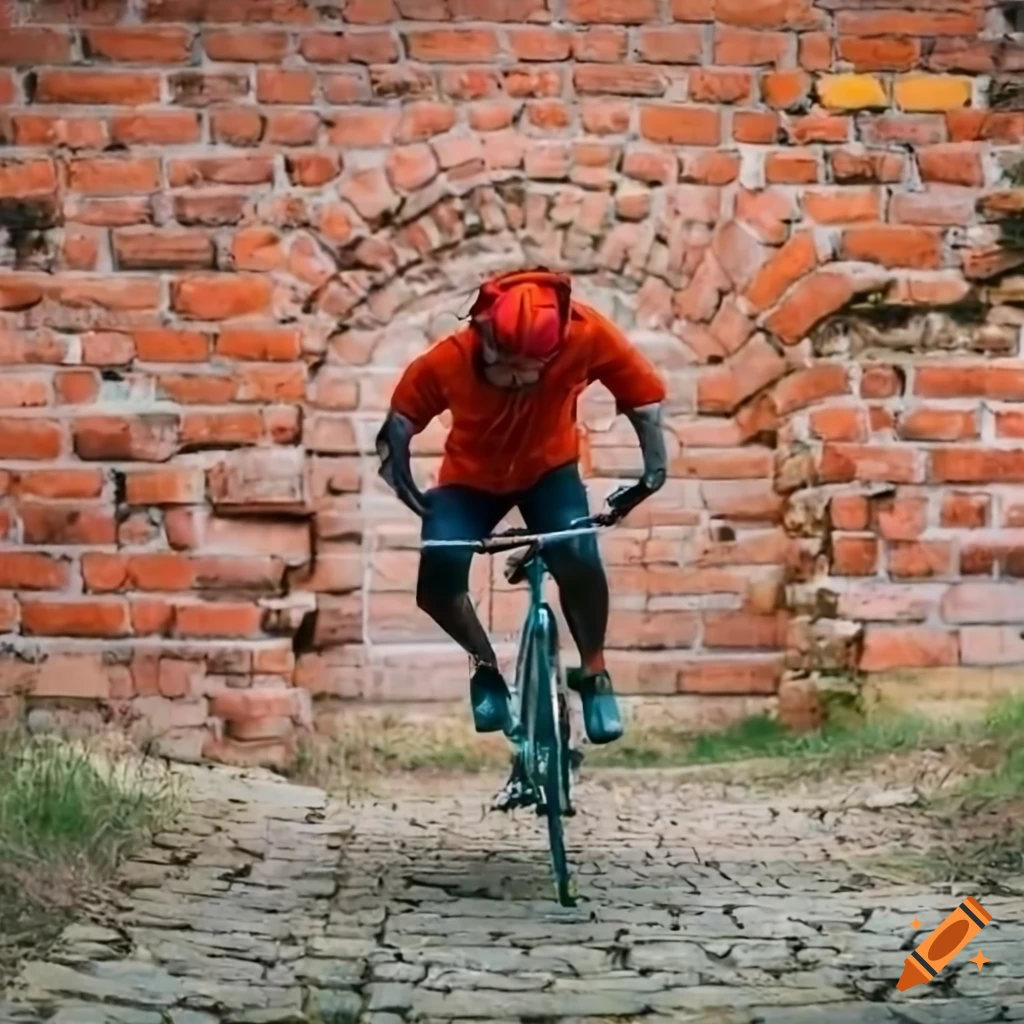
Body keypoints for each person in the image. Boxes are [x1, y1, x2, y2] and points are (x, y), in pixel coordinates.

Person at [375, 268, 668, 747]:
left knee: (579, 556)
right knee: (438, 574)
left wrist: (651, 474)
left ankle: (594, 672)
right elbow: (399, 424)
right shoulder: (449, 359)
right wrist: (403, 482)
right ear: (484, 335)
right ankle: (485, 664)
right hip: (469, 482)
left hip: (549, 474)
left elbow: (643, 398)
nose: (516, 378)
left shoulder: (587, 335)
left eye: (530, 369)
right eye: (505, 365)